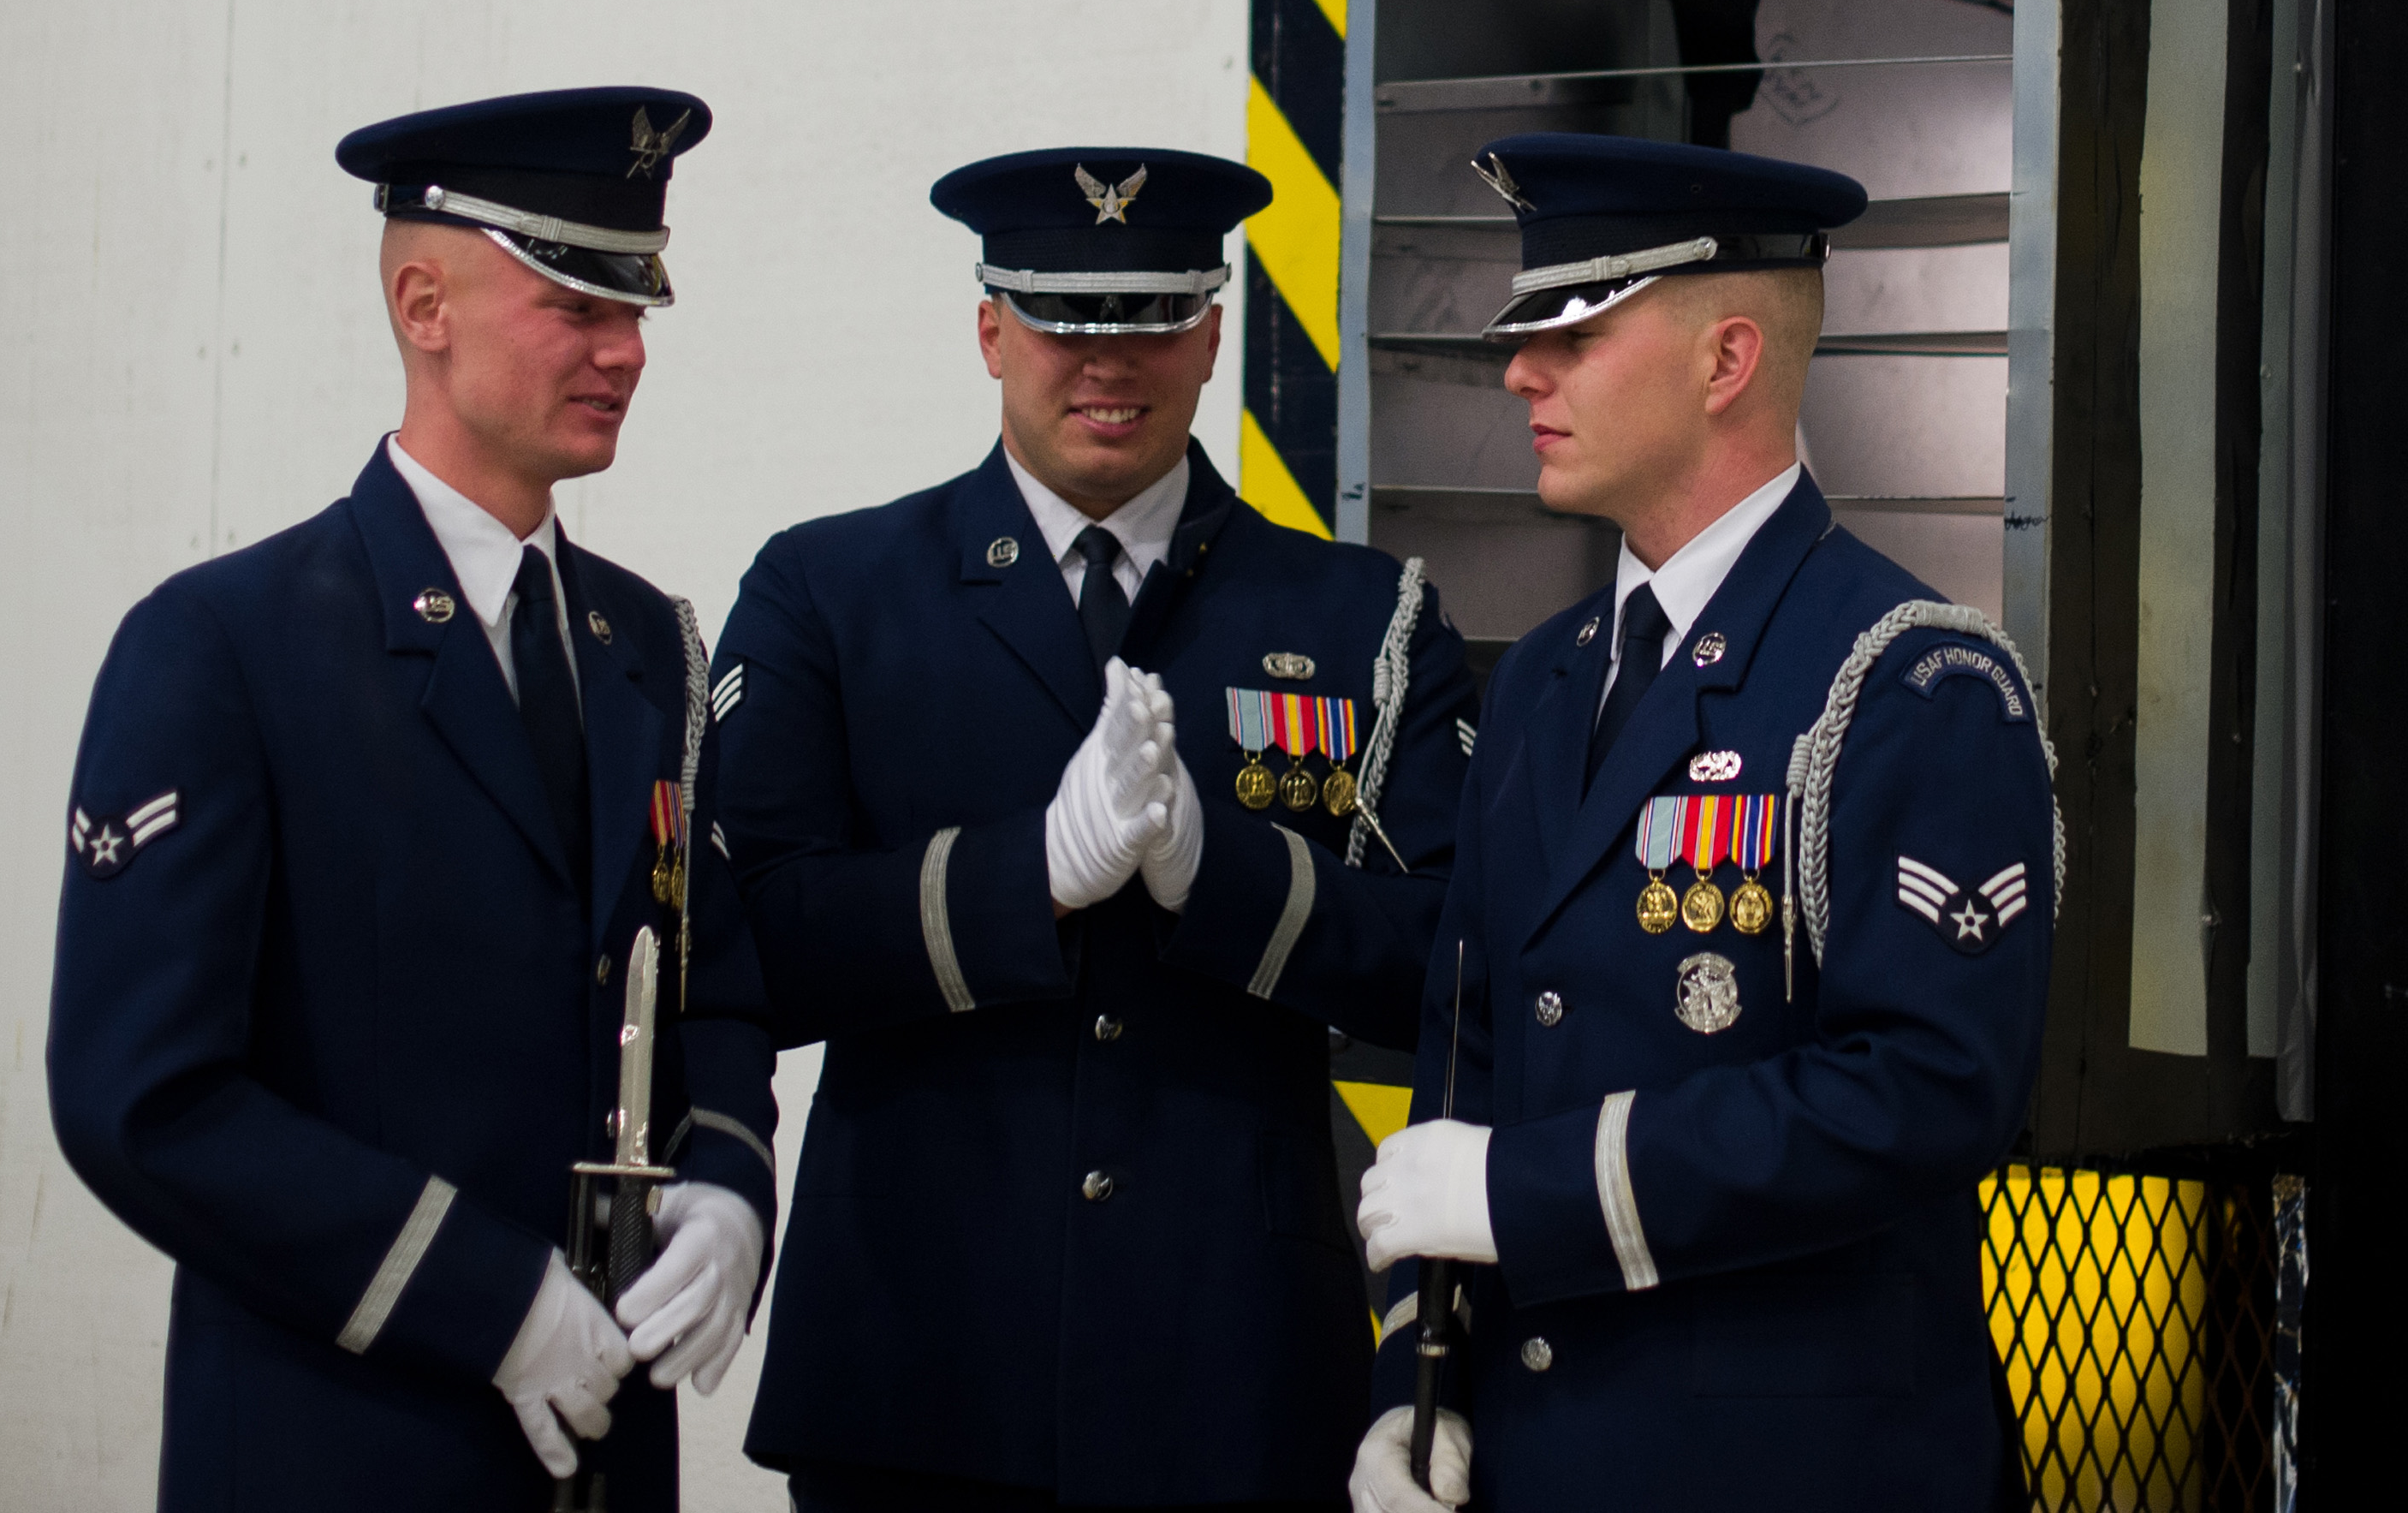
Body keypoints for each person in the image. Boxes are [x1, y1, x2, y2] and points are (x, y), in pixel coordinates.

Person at [709, 146, 1473, 1510]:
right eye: (1063, 322)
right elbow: (757, 941)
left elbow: (1449, 968)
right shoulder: (830, 591)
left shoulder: (1363, 618)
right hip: (920, 1367)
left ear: (1215, 331)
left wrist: (1216, 878)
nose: (1107, 363)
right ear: (991, 329)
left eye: (1155, 319)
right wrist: (1030, 880)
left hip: (1232, 1371)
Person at [49, 87, 778, 1510]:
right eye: (574, 301)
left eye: (637, 306)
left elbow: (712, 986)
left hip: (604, 1451)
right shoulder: (226, 649)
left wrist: (735, 1179)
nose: (624, 349)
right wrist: (483, 1296)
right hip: (343, 1436)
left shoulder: (651, 649)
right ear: (423, 300)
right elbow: (144, 1096)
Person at [1347, 134, 2063, 1513]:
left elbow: (1923, 1092)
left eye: (1574, 334)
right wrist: (1413, 1390)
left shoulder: (1912, 680)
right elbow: (1470, 1058)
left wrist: (1533, 1196)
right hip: (1536, 1461)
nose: (1519, 373)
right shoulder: (1551, 680)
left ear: (1725, 361)